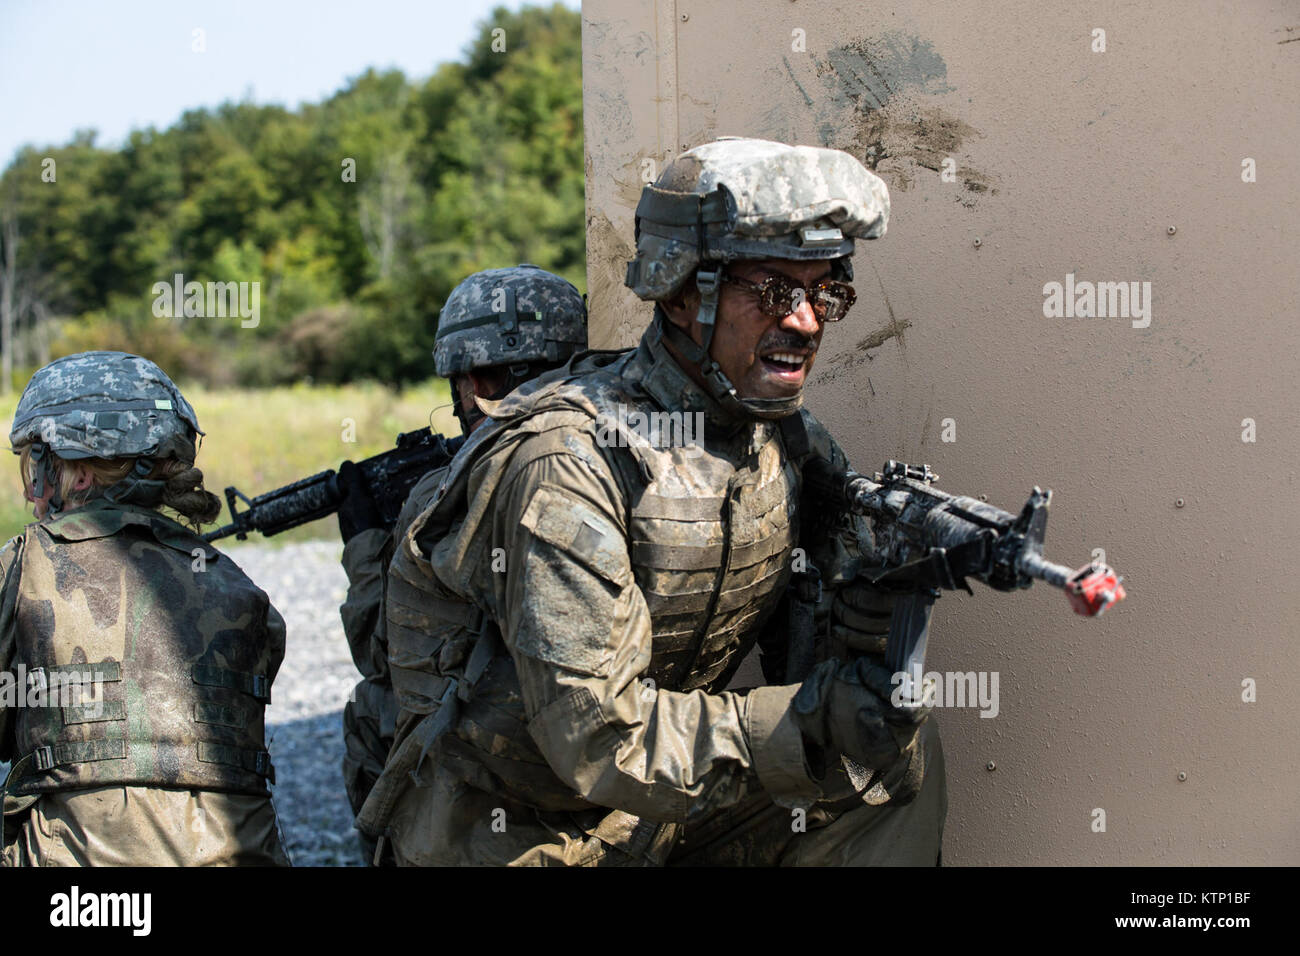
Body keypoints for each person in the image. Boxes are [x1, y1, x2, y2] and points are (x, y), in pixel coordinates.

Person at [364, 138, 947, 866]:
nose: (805, 322)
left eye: (827, 291)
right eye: (771, 289)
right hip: (519, 826)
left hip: (657, 807)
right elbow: (597, 736)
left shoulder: (779, 439)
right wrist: (808, 725)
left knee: (882, 768)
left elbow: (813, 650)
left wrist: (870, 618)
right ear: (678, 292)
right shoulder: (568, 462)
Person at [337, 264, 587, 864]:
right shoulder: (638, 450)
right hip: (629, 788)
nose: (466, 397)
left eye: (476, 378)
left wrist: (367, 545)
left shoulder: (454, 495)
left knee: (372, 705)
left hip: (503, 802)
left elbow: (386, 653)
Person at [0, 350, 289, 866]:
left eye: (35, 466)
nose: (29, 490)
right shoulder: (234, 583)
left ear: (77, 474)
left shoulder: (23, 567)